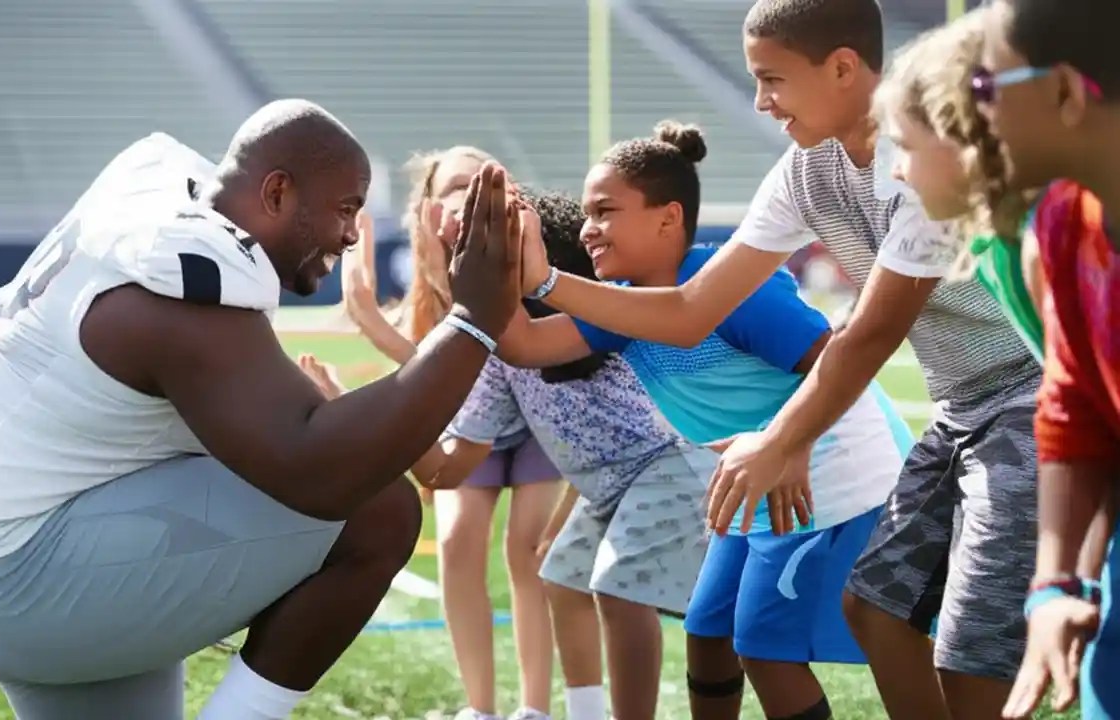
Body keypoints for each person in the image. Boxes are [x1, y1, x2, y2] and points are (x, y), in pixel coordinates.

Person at [0, 99, 523, 720]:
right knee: (378, 512)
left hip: (3, 558)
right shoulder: (182, 285)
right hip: (21, 575)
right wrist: (473, 322)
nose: (352, 233)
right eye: (344, 209)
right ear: (277, 193)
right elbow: (325, 476)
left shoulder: (175, 219)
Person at [514, 1, 1043, 716]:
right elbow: (693, 307)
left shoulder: (926, 158)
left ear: (844, 68)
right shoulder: (804, 171)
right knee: (877, 610)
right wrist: (541, 283)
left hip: (1031, 394)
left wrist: (787, 438)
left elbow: (870, 332)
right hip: (958, 409)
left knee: (969, 645)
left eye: (772, 80)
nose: (760, 102)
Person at [499, 121, 909, 720]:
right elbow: (523, 345)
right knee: (709, 631)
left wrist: (786, 441)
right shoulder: (624, 302)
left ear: (668, 218)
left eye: (606, 210)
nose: (589, 229)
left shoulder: (736, 288)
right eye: (587, 213)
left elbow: (836, 364)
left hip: (828, 480)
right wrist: (494, 263)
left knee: (766, 650)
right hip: (754, 488)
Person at [436, 188, 714, 720]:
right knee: (560, 578)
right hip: (612, 485)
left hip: (669, 463)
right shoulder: (500, 353)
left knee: (618, 588)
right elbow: (452, 465)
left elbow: (529, 340)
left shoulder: (596, 316)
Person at [342, 146, 559, 720]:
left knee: (528, 546)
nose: (473, 192)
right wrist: (367, 313)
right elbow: (440, 373)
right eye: (458, 184)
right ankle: (480, 708)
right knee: (459, 545)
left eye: (489, 180)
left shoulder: (531, 256)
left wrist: (372, 326)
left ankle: (534, 707)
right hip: (474, 423)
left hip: (541, 416)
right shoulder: (432, 282)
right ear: (430, 210)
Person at [973, 2, 1120, 717]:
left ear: (1065, 91)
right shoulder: (1062, 220)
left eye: (987, 87)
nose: (978, 114)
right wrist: (1054, 586)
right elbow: (1075, 407)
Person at [874, 7, 1046, 359]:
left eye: (905, 147)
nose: (897, 171)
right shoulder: (994, 244)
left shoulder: (1042, 240)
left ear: (960, 135)